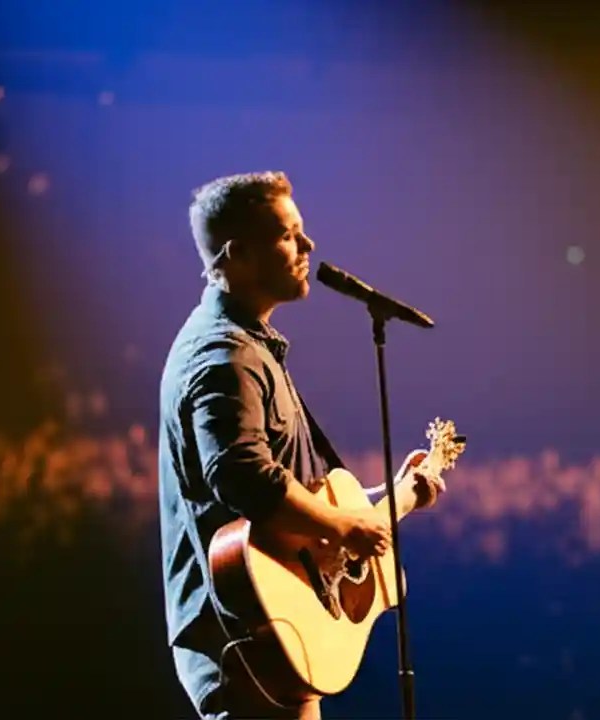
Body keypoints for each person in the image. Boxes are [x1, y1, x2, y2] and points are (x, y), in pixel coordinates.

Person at [158, 171, 442, 719]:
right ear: (236, 256)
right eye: (288, 235)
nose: (308, 246)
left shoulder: (251, 346)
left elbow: (292, 487)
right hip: (245, 636)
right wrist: (343, 527)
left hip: (274, 631)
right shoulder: (223, 356)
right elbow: (243, 478)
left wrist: (391, 494)